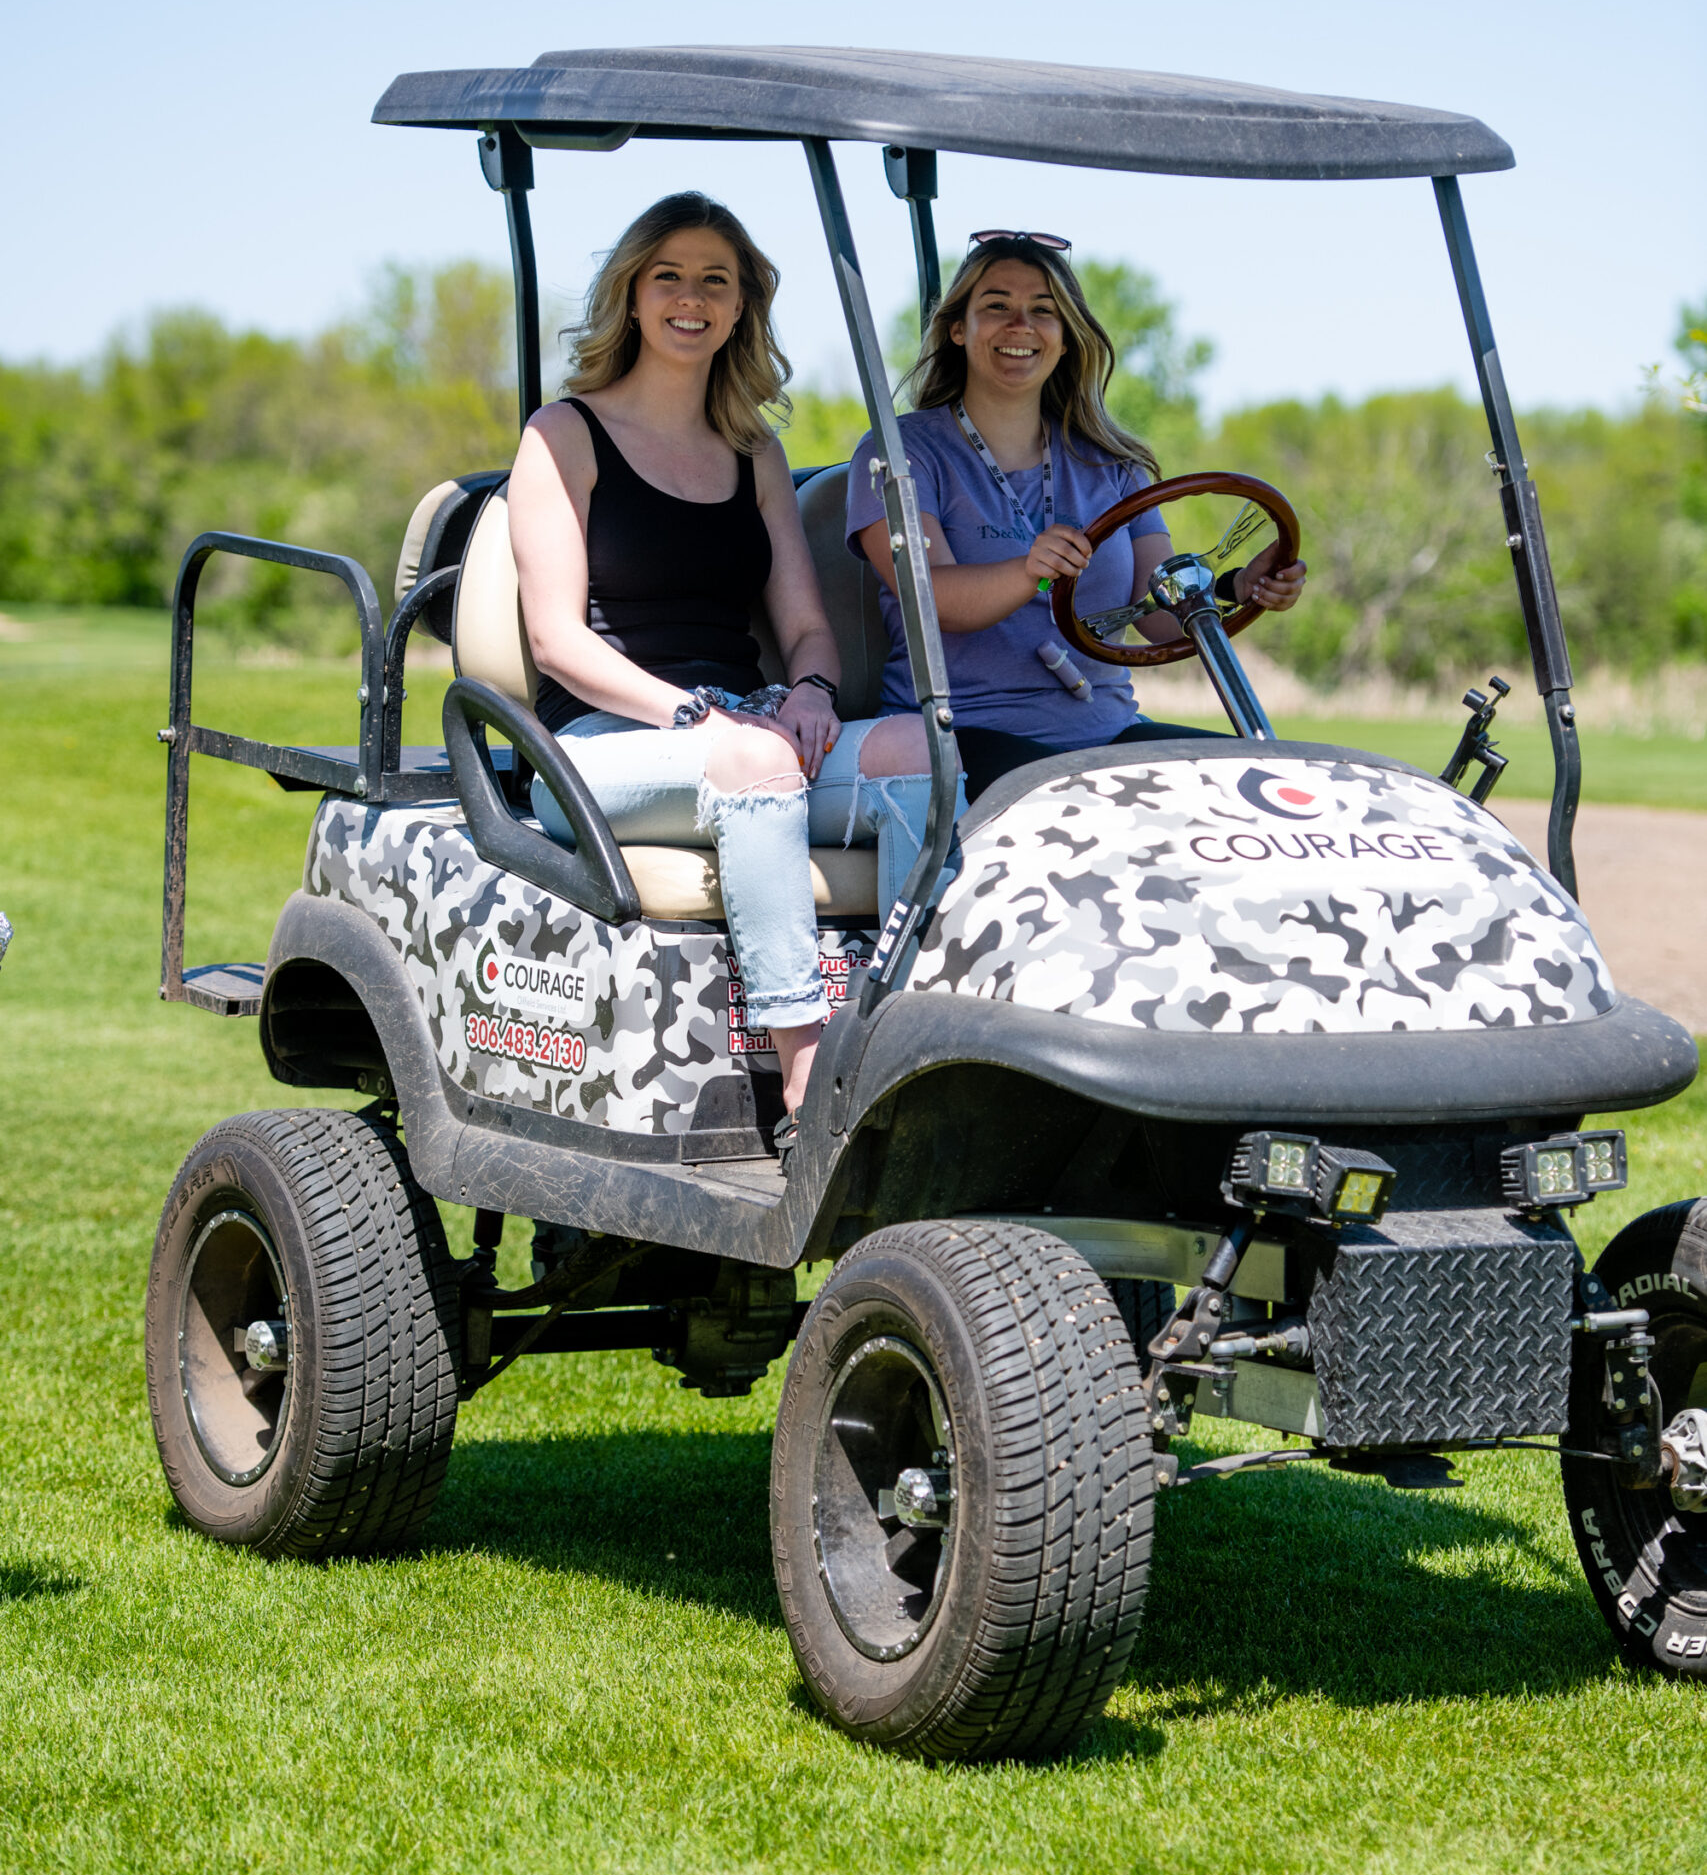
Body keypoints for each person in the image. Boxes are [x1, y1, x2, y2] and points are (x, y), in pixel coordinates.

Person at [506, 191, 941, 1154]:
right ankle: (807, 1076)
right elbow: (556, 644)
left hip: (745, 736)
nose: (690, 299)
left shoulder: (753, 453)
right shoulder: (563, 433)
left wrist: (813, 694)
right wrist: (697, 716)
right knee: (753, 763)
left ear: (742, 306)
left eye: (716, 281)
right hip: (599, 747)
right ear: (631, 294)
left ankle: (907, 1031)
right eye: (669, 277)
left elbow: (802, 627)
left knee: (920, 748)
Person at [847, 233, 1306, 797]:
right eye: (997, 306)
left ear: (1065, 340)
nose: (1021, 325)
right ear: (958, 329)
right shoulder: (898, 453)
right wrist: (1028, 570)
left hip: (1107, 733)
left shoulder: (1112, 462)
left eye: (1044, 311)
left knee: (1260, 786)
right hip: (960, 735)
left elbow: (1158, 614)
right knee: (1074, 800)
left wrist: (1239, 587)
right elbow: (932, 600)